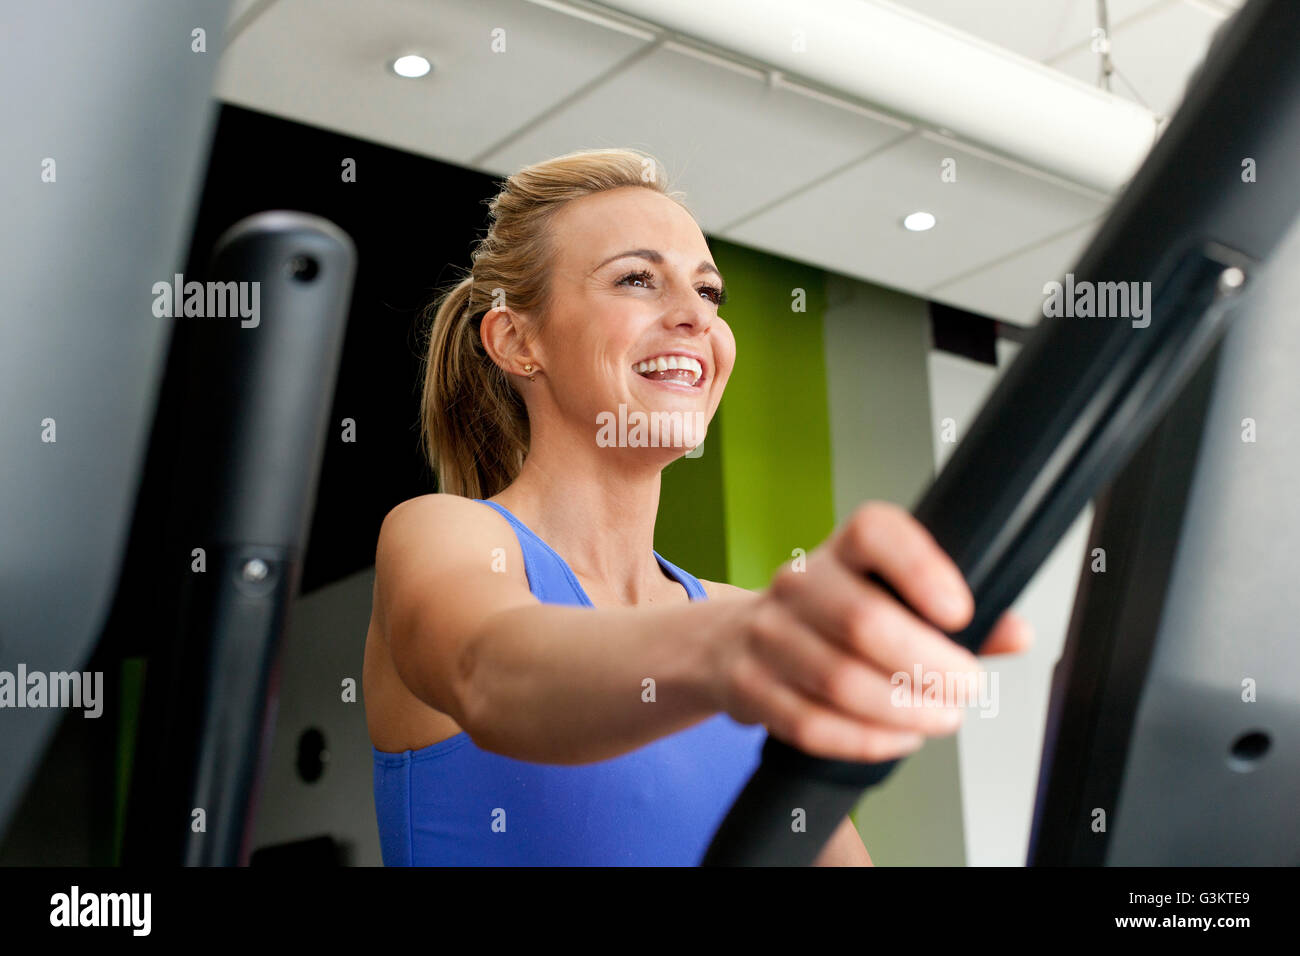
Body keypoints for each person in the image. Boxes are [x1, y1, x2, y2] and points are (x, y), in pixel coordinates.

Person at [362, 147, 1033, 866]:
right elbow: (488, 674)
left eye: (709, 293)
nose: (694, 318)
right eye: (637, 279)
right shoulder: (444, 535)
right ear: (518, 339)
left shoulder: (742, 621)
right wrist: (738, 646)